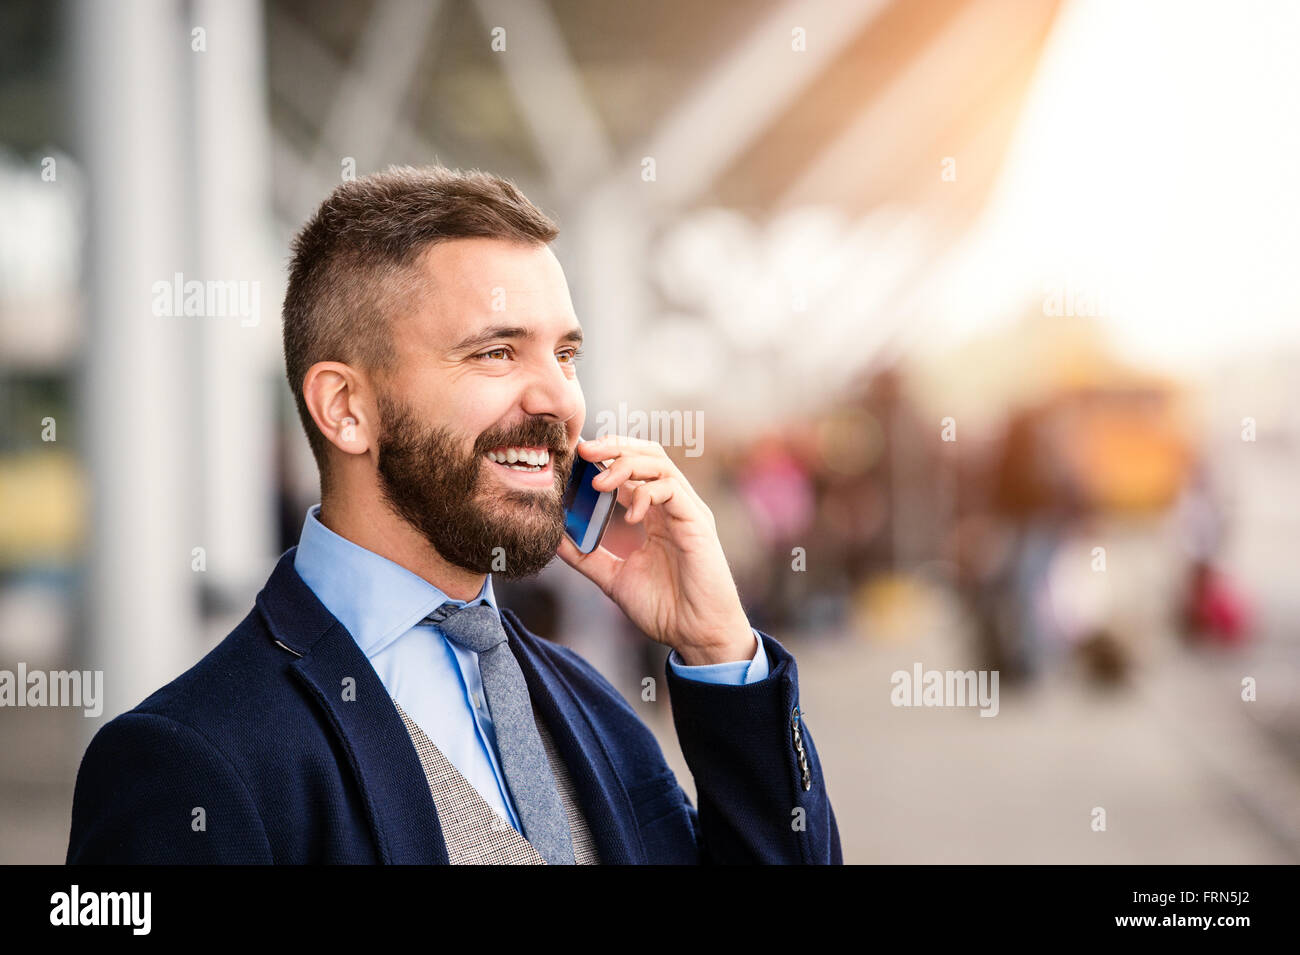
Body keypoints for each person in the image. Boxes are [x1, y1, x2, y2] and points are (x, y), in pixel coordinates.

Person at [65, 165, 841, 864]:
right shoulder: (190, 762)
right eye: (496, 352)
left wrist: (718, 651)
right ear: (346, 408)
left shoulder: (593, 707)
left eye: (564, 354)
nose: (559, 399)